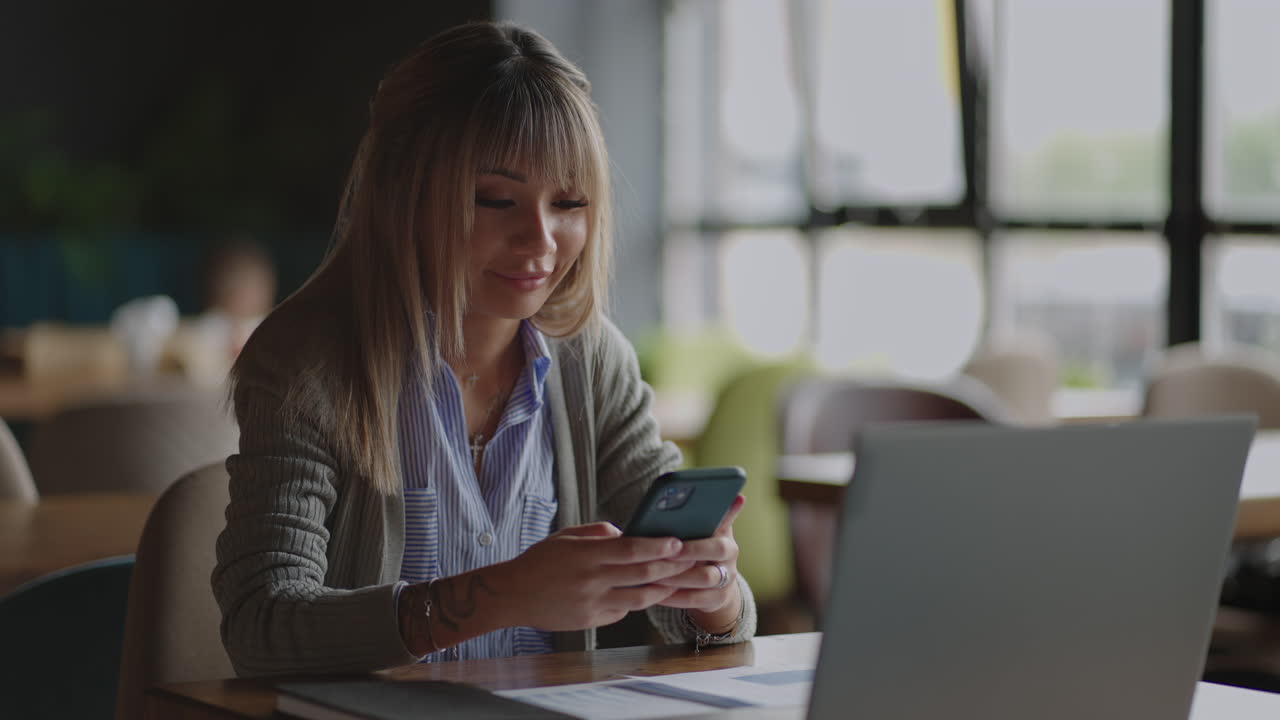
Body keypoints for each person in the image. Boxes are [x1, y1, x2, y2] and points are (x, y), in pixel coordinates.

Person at [212, 21, 756, 676]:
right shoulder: (309, 364)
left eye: (569, 202)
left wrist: (711, 588)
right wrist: (499, 596)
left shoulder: (591, 361)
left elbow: (718, 626)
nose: (542, 240)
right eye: (496, 200)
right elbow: (261, 625)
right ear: (401, 193)